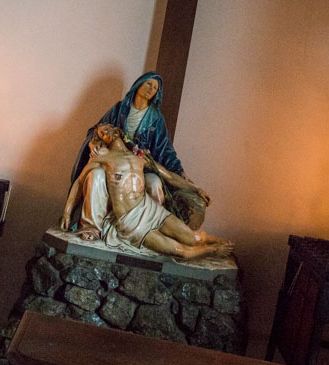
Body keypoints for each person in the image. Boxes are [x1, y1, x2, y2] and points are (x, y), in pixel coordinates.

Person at [61, 124, 231, 260]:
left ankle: (217, 243)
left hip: (151, 209)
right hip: (132, 220)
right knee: (180, 250)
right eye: (102, 132)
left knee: (194, 239)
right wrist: (67, 212)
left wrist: (196, 189)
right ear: (101, 139)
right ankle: (212, 250)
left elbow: (169, 176)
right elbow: (79, 182)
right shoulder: (103, 156)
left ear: (118, 131)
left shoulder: (139, 156)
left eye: (108, 127)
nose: (107, 131)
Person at [69, 72, 206, 230]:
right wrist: (93, 145)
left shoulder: (155, 118)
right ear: (139, 84)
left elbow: (165, 149)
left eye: (155, 88)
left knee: (154, 184)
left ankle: (149, 229)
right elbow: (96, 130)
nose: (151, 89)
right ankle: (93, 227)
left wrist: (180, 171)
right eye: (148, 84)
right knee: (95, 175)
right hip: (114, 163)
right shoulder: (119, 109)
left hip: (141, 166)